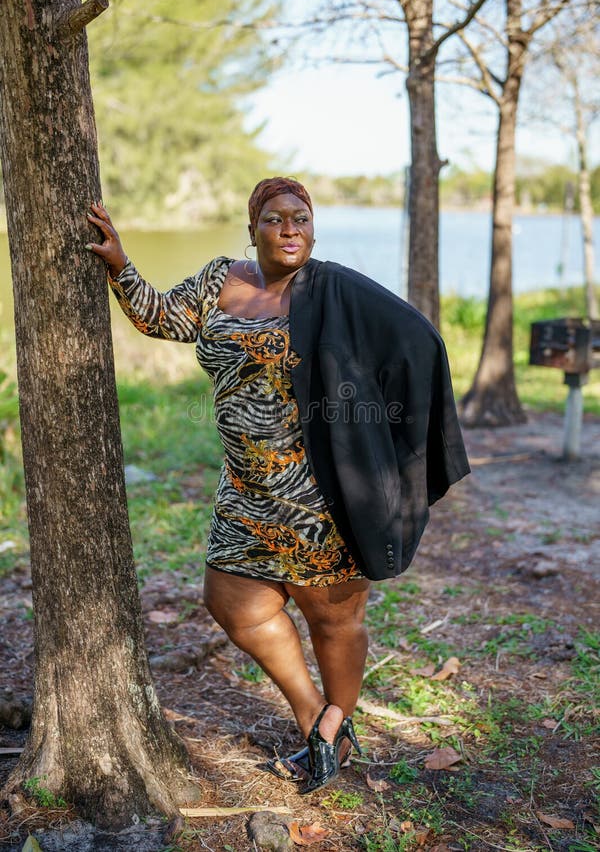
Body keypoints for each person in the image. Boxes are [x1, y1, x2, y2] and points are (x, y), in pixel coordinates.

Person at [85, 176, 469, 794]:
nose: (290, 229)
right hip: (244, 489)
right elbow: (161, 318)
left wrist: (388, 434)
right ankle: (314, 715)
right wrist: (121, 266)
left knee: (332, 619)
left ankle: (333, 727)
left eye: (301, 218)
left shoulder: (333, 287)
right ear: (253, 228)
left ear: (314, 230)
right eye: (275, 219)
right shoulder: (219, 280)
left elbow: (419, 342)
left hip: (318, 491)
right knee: (232, 602)